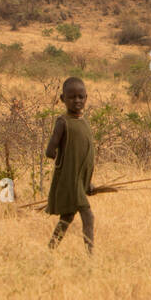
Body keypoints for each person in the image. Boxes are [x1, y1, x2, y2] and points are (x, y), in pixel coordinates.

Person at [44, 77, 96, 255]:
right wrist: (64, 162)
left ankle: (50, 249)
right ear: (62, 98)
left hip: (79, 182)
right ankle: (90, 255)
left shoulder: (83, 122)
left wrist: (87, 183)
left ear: (86, 98)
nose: (77, 101)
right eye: (72, 97)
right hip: (70, 180)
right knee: (88, 216)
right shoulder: (63, 122)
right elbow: (50, 151)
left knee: (67, 217)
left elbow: (85, 157)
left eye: (81, 97)